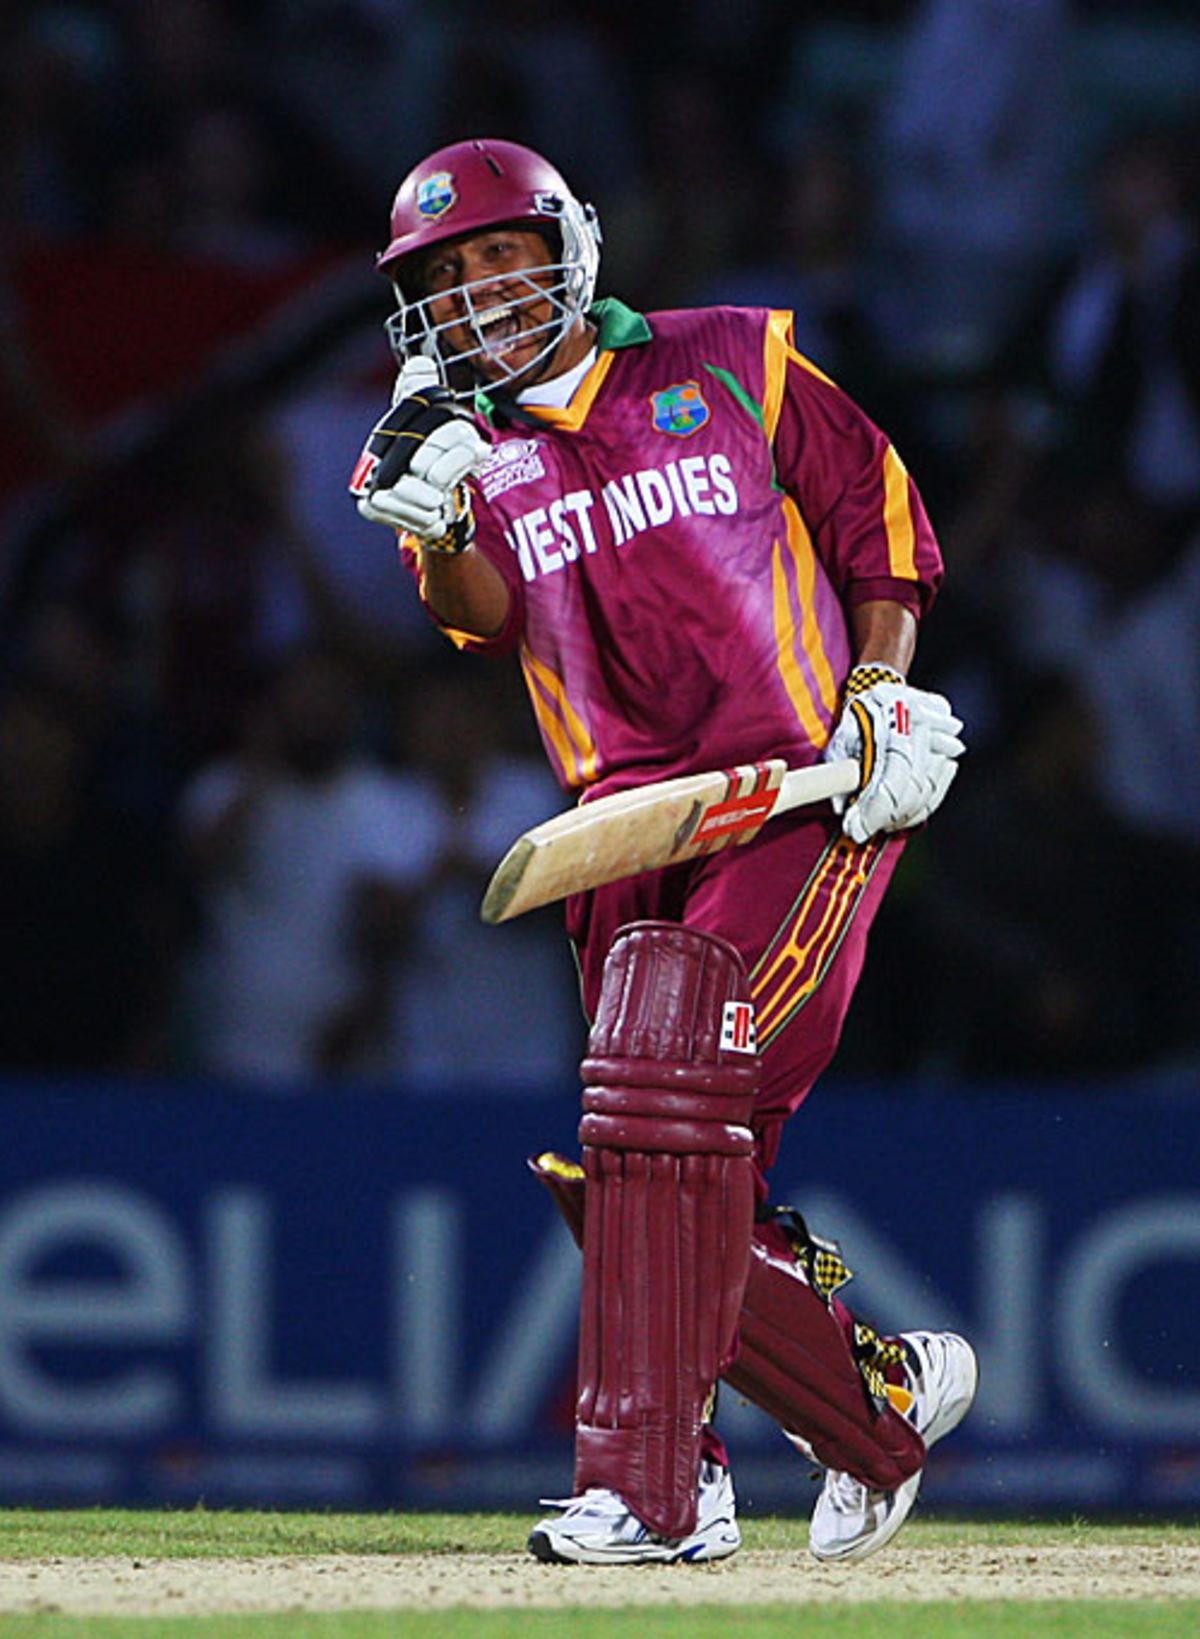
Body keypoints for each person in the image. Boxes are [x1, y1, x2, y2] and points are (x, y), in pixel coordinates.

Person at [350, 138, 974, 1566]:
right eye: (446, 275)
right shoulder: (445, 449)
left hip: (799, 791)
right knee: (677, 1161)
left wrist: (882, 691)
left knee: (654, 1110)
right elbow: (483, 616)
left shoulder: (729, 357)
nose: (477, 291)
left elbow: (881, 518)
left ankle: (648, 1488)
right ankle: (872, 1409)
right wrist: (437, 524)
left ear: (566, 250)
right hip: (618, 830)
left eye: (499, 255)